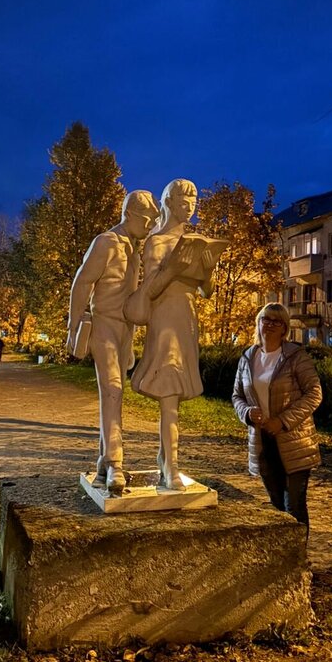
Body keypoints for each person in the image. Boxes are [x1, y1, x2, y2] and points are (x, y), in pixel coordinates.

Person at [67, 190, 159, 493]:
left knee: (115, 392)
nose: (149, 226)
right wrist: (73, 326)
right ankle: (115, 462)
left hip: (125, 328)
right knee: (113, 389)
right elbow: (83, 281)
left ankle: (104, 460)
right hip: (104, 324)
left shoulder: (135, 248)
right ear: (129, 215)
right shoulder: (107, 242)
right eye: (146, 220)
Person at [130, 178, 216, 491]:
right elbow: (148, 290)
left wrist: (207, 272)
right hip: (165, 319)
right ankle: (172, 467)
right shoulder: (156, 242)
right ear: (170, 203)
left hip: (187, 319)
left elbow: (207, 291)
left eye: (194, 202)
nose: (190, 207)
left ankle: (167, 460)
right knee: (168, 394)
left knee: (176, 396)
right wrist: (171, 268)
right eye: (184, 201)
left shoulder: (196, 240)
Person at [232, 302, 322, 530]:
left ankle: (299, 559)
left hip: (294, 440)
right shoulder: (248, 358)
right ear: (258, 323)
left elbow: (314, 393)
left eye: (277, 321)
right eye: (266, 319)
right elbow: (236, 396)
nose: (270, 324)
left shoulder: (295, 356)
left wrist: (282, 421)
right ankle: (283, 561)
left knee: (294, 505)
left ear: (284, 328)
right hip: (263, 441)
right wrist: (247, 413)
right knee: (276, 506)